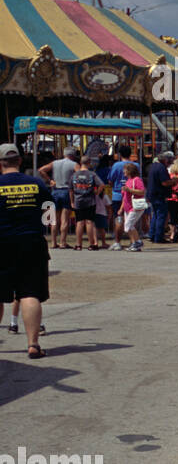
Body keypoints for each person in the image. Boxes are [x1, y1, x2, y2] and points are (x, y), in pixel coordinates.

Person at [0, 143, 54, 358]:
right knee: (30, 293)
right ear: (20, 161)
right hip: (31, 242)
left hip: (2, 242)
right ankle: (33, 344)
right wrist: (41, 227)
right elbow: (49, 212)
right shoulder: (36, 183)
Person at [38, 147, 80, 249]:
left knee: (54, 219)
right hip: (66, 191)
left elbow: (41, 170)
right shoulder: (74, 164)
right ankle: (62, 242)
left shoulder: (55, 163)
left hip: (55, 191)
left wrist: (50, 180)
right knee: (65, 219)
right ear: (73, 155)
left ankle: (53, 242)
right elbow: (79, 175)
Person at [68, 156, 105, 251]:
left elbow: (71, 190)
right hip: (90, 200)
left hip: (78, 200)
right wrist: (97, 193)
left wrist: (72, 201)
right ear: (89, 163)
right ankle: (91, 244)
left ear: (80, 163)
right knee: (89, 222)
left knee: (79, 222)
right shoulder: (92, 174)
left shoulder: (74, 175)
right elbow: (101, 185)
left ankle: (78, 244)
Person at [145, 151, 175, 244]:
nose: (170, 162)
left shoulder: (153, 166)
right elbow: (164, 182)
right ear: (165, 159)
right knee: (161, 216)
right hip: (159, 195)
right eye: (169, 160)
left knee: (156, 216)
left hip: (152, 194)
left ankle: (152, 235)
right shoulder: (161, 168)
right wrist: (174, 181)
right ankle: (158, 237)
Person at [107, 143, 133, 249]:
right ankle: (133, 241)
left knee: (119, 218)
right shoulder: (135, 165)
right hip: (131, 194)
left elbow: (110, 180)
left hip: (117, 194)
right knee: (131, 219)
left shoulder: (116, 165)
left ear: (120, 154)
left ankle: (117, 241)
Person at [121, 164, 147, 251]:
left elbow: (142, 192)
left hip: (135, 206)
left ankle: (138, 242)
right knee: (130, 226)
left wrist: (130, 190)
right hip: (127, 207)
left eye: (125, 170)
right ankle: (135, 243)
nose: (123, 171)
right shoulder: (128, 180)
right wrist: (121, 208)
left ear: (129, 171)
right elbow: (124, 196)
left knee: (127, 226)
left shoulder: (136, 180)